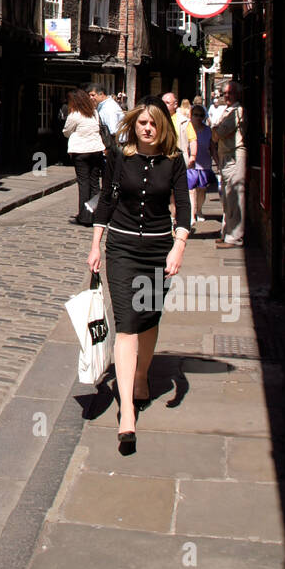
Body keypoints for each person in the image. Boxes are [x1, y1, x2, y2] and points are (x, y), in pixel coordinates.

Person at [88, 103, 191, 454]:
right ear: (134, 125)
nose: (146, 128)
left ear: (162, 127)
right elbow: (106, 199)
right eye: (142, 123)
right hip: (122, 249)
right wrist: (95, 245)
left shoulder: (173, 160)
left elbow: (183, 206)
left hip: (158, 251)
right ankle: (127, 410)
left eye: (152, 123)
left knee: (148, 318)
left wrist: (178, 247)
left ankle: (143, 375)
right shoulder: (120, 156)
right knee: (127, 322)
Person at [63, 88, 105, 225]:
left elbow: (66, 131)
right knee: (94, 184)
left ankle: (84, 217)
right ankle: (96, 214)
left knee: (84, 184)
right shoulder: (94, 113)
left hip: (81, 152)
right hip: (96, 150)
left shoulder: (74, 115)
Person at [212, 80, 246, 247]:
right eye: (225, 93)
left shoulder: (237, 111)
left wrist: (215, 129)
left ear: (237, 94)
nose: (226, 96)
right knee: (226, 198)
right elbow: (215, 133)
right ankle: (226, 233)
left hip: (234, 156)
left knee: (234, 198)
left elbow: (219, 132)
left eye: (230, 93)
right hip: (225, 155)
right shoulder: (226, 111)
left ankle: (235, 237)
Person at [187, 104, 214, 228]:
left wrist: (217, 161)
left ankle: (199, 210)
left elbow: (212, 147)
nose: (198, 118)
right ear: (191, 116)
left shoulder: (208, 130)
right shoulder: (187, 128)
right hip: (191, 164)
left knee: (202, 190)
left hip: (204, 163)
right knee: (191, 190)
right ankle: (192, 215)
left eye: (201, 115)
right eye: (195, 115)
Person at [162, 92, 196, 170]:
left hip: (179, 161)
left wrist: (192, 157)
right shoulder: (157, 120)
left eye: (167, 103)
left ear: (175, 104)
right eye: (162, 102)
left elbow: (193, 140)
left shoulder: (184, 121)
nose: (164, 105)